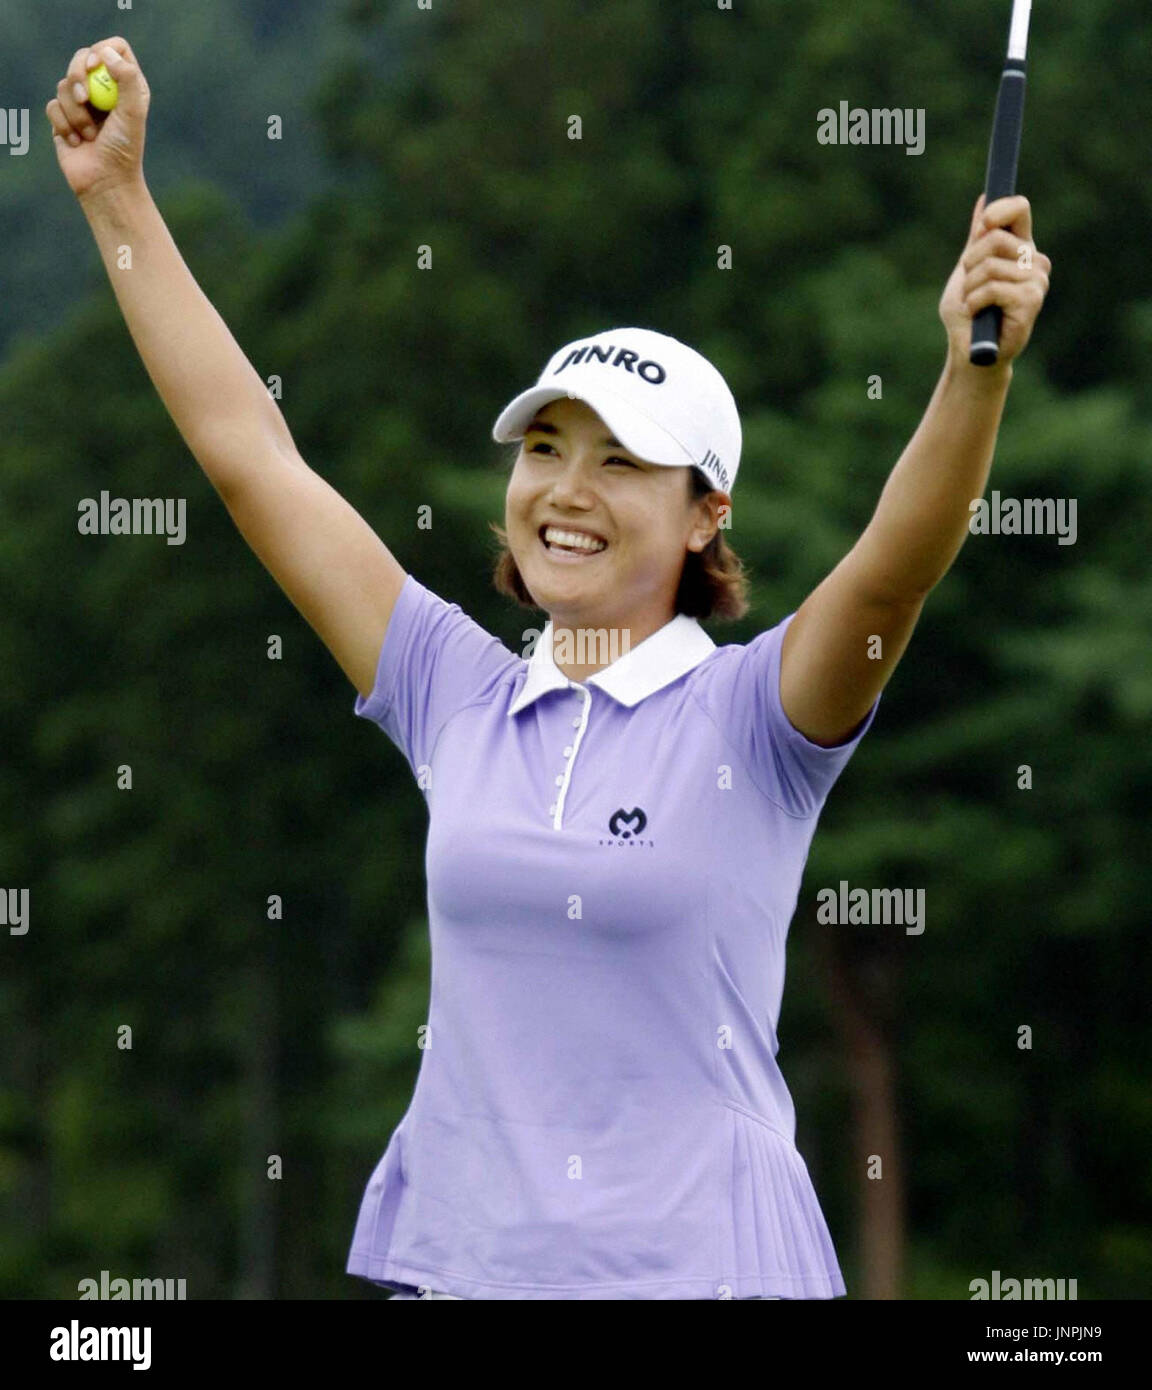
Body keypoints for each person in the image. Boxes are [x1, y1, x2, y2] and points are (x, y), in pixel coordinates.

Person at [48, 38, 1052, 1301]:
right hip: (458, 1274)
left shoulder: (759, 716)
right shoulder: (451, 686)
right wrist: (119, 200)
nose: (566, 493)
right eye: (546, 449)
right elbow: (254, 457)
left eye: (622, 462)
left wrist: (980, 371)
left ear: (706, 515)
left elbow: (899, 564)